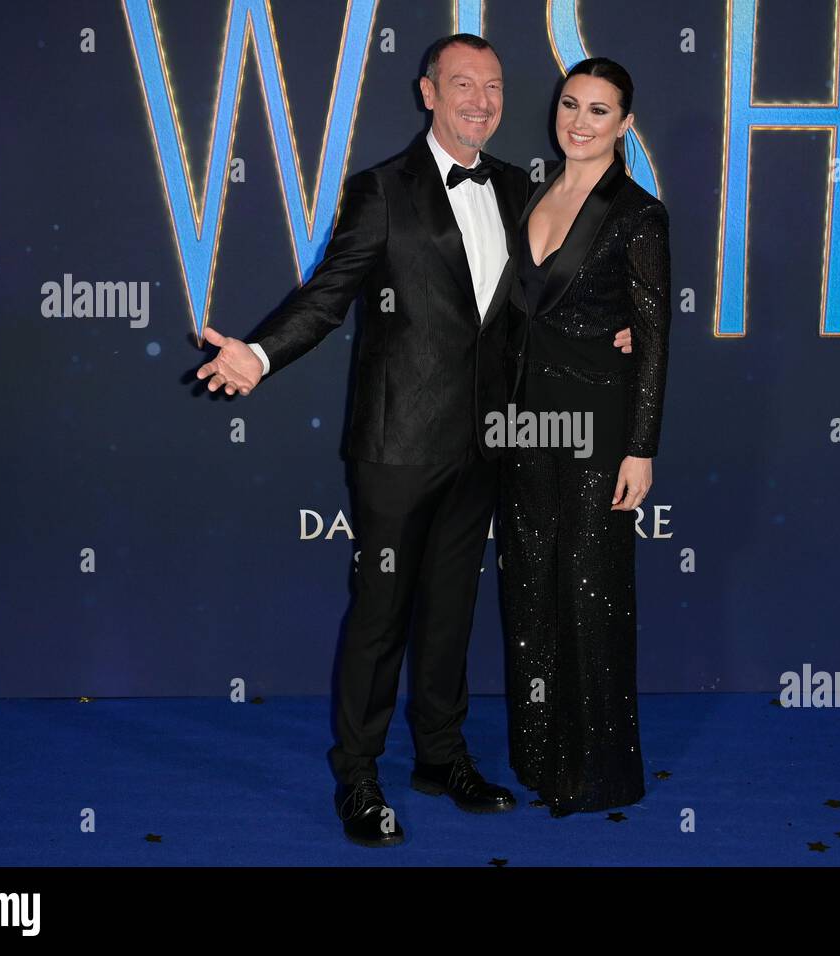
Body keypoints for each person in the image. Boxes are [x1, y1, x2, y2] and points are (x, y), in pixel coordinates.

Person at [194, 36, 631, 847]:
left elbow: (546, 302)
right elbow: (328, 296)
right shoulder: (381, 190)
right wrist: (258, 354)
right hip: (397, 445)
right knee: (381, 615)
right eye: (462, 84)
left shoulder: (518, 188)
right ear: (428, 92)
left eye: (492, 87)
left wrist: (614, 334)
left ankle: (441, 756)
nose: (480, 101)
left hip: (487, 443)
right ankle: (359, 777)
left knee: (450, 613)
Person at [498, 57, 670, 817]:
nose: (580, 121)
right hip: (523, 423)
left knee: (589, 592)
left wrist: (642, 447)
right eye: (571, 104)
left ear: (624, 125)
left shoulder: (638, 214)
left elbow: (655, 338)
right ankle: (540, 754)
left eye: (599, 111)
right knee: (530, 587)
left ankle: (597, 770)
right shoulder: (529, 192)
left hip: (598, 428)